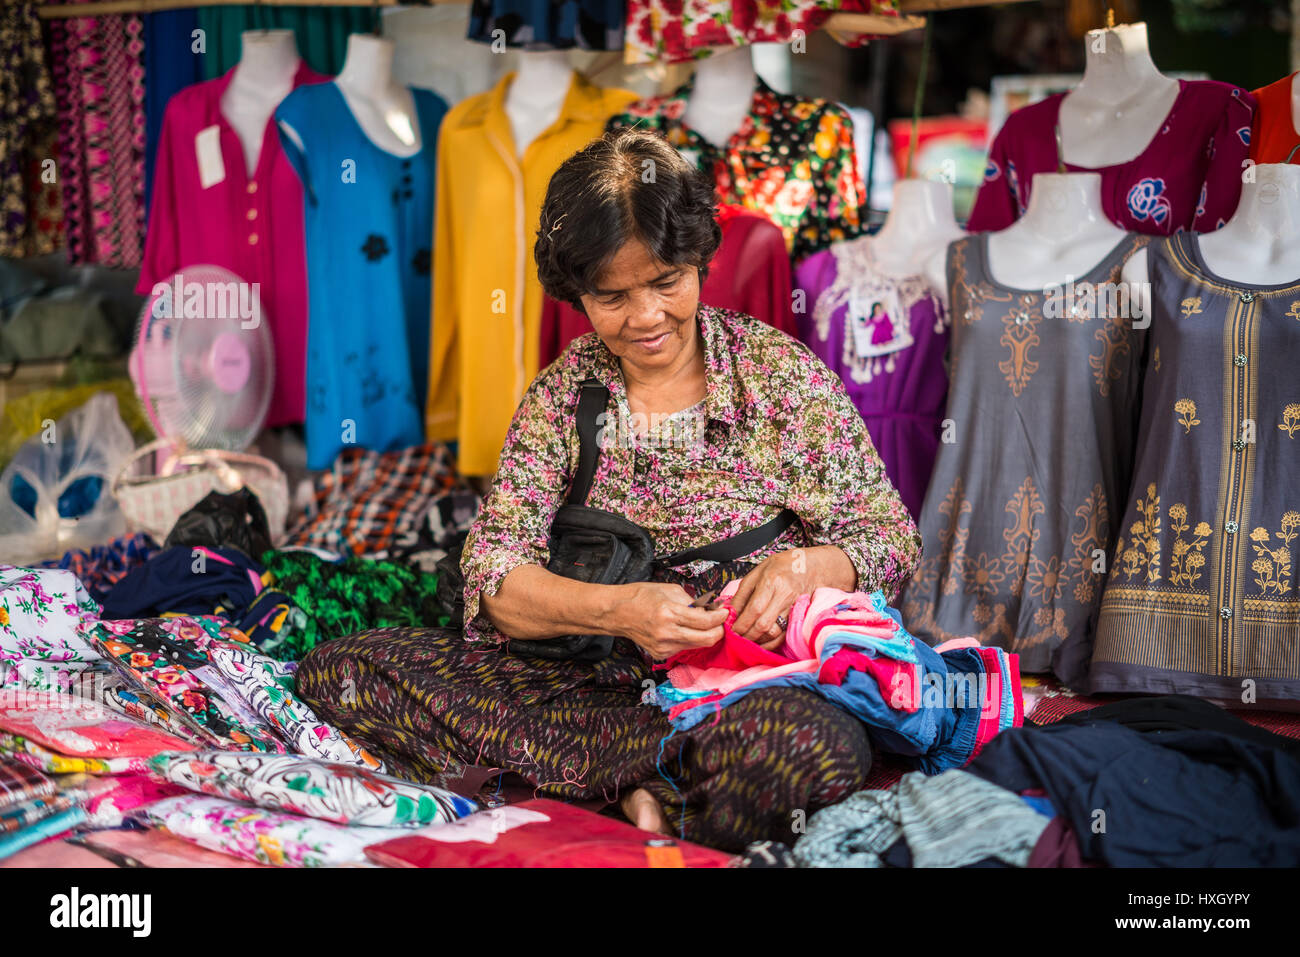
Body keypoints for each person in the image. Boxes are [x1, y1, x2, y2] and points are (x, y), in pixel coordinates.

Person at [295, 129, 920, 852]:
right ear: (576, 290)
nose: (646, 317)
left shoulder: (779, 376)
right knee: (345, 672)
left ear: (698, 261)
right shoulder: (564, 393)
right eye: (612, 296)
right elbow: (494, 577)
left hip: (738, 694)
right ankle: (648, 786)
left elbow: (890, 537)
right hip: (586, 687)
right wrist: (621, 608)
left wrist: (804, 567)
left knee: (807, 748)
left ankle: (604, 786)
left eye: (666, 282)